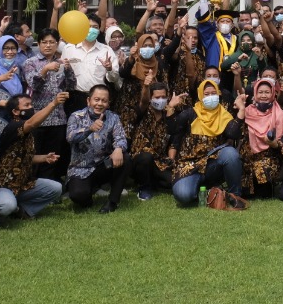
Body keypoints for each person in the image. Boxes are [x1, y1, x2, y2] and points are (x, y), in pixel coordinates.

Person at [0, 91, 68, 220]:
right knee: (7, 205)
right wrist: (54, 103)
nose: (31, 108)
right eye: (27, 105)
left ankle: (22, 210)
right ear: (15, 112)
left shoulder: (29, 134)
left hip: (22, 184)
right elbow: (32, 123)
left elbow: (24, 157)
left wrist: (44, 158)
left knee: (56, 188)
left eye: (31, 105)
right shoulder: (13, 127)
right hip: (2, 186)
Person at [170, 78, 244, 207]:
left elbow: (233, 133)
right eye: (207, 94)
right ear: (200, 95)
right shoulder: (189, 114)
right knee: (183, 196)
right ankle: (205, 190)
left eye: (213, 93)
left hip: (212, 165)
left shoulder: (223, 114)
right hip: (190, 166)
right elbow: (173, 132)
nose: (211, 97)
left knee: (230, 154)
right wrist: (170, 107)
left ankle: (234, 196)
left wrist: (241, 110)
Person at [20, 28, 78, 181]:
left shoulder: (60, 62)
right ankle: (30, 185)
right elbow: (33, 85)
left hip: (58, 117)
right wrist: (45, 69)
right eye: (44, 42)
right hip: (38, 117)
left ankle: (49, 188)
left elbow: (71, 86)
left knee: (52, 156)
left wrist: (68, 69)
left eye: (52, 42)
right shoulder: (30, 63)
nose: (48, 45)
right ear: (38, 44)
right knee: (35, 154)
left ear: (57, 44)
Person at [65, 85, 129, 213]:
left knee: (125, 158)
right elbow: (70, 137)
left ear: (108, 103)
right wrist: (89, 129)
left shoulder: (113, 117)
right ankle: (89, 192)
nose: (100, 103)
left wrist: (118, 149)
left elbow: (121, 138)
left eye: (104, 101)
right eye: (96, 99)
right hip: (80, 169)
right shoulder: (76, 116)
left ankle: (112, 202)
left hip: (102, 165)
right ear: (88, 101)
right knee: (79, 196)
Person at [238, 78, 283, 198]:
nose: (263, 96)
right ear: (255, 93)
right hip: (248, 159)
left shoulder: (280, 114)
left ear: (273, 94)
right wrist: (241, 108)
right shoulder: (248, 111)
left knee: (263, 193)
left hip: (269, 158)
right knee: (246, 192)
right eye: (260, 92)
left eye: (267, 92)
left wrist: (274, 144)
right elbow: (237, 132)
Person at [130, 78, 176, 201]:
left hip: (159, 161)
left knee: (173, 182)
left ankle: (153, 181)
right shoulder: (144, 111)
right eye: (157, 97)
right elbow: (143, 101)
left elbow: (173, 138)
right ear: (151, 98)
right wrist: (145, 86)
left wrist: (171, 160)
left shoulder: (169, 114)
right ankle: (144, 188)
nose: (160, 100)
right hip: (140, 159)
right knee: (146, 157)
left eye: (163, 97)